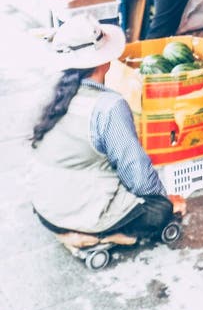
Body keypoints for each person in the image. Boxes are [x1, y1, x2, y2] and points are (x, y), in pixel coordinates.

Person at [31, 15, 185, 240]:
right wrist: (163, 201)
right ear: (104, 61)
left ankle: (74, 233)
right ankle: (99, 237)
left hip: (45, 208)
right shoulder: (109, 105)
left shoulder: (51, 90)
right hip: (82, 213)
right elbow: (136, 171)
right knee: (159, 211)